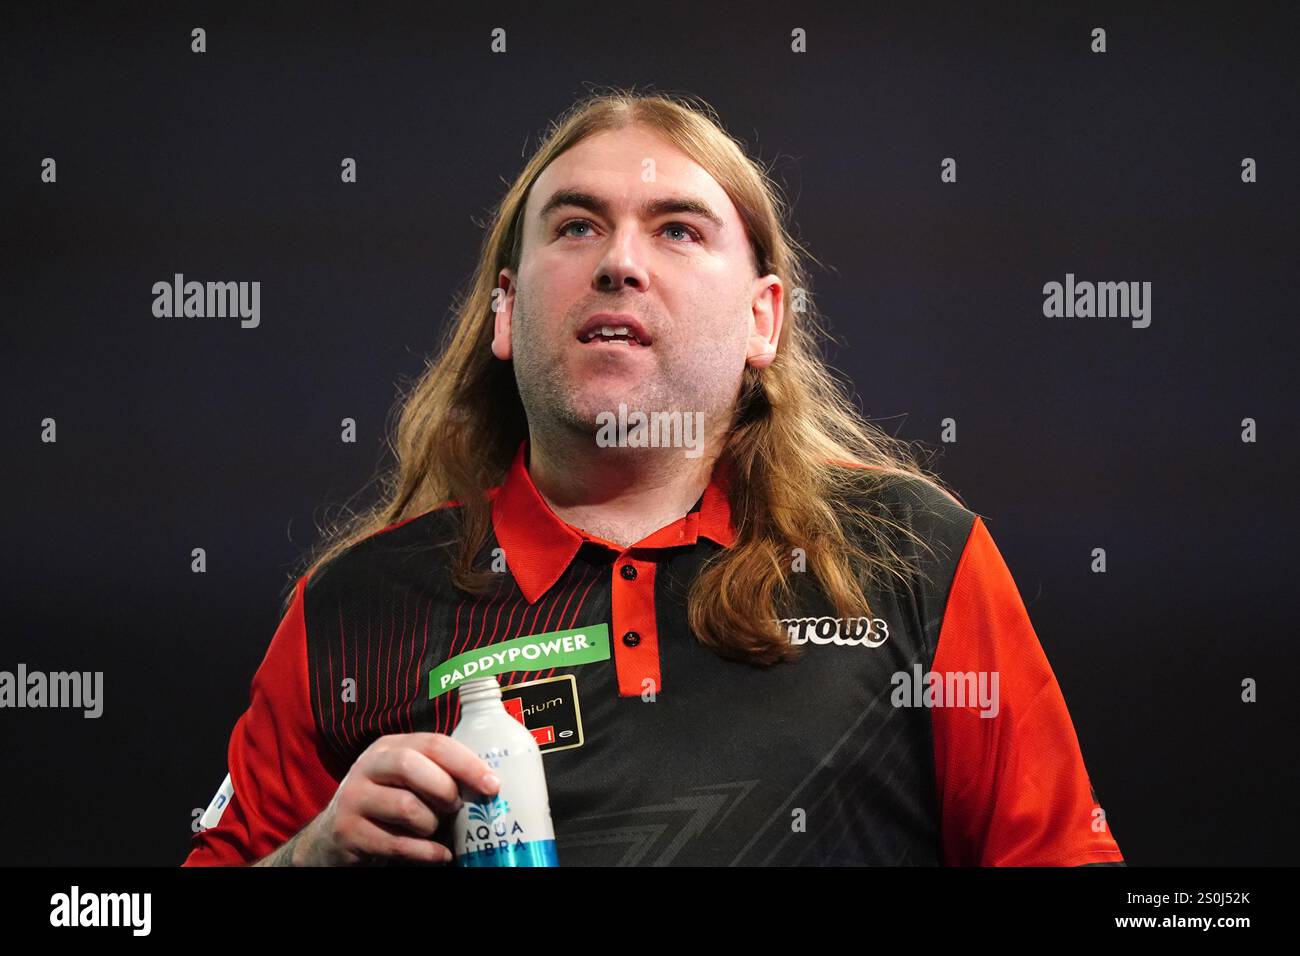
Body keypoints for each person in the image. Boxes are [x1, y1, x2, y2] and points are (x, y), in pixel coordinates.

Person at [182, 89, 1124, 867]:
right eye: (578, 225)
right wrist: (303, 860)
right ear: (504, 312)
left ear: (764, 321)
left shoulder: (914, 555)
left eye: (677, 231)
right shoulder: (351, 613)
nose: (620, 263)